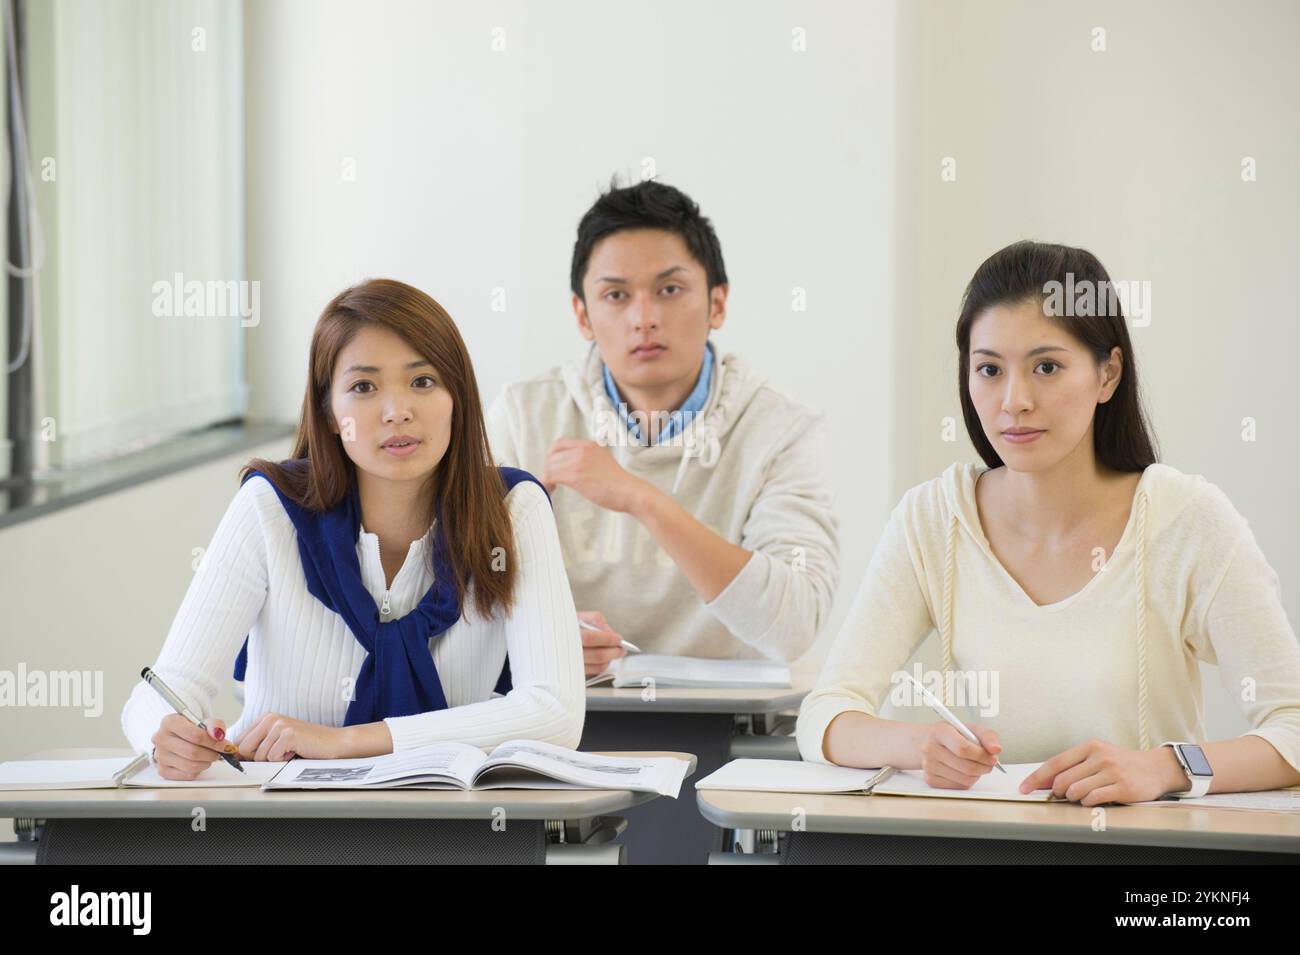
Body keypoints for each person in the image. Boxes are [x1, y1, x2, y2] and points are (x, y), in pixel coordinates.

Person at [796, 240, 1300, 805]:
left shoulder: (1188, 520)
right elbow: (825, 714)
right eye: (989, 369)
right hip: (983, 850)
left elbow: (1293, 726)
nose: (1014, 401)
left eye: (1046, 367)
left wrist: (1165, 768)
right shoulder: (932, 519)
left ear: (1107, 375)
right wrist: (916, 745)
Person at [122, 279, 584, 779]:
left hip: (448, 829)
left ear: (458, 396)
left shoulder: (514, 510)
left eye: (423, 381)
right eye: (363, 387)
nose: (397, 411)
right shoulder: (270, 507)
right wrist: (164, 734)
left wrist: (348, 743)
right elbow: (163, 688)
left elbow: (555, 714)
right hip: (277, 828)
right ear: (328, 411)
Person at [488, 178, 840, 677]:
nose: (644, 318)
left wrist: (641, 498)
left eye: (669, 290)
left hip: (730, 725)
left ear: (717, 303)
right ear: (582, 315)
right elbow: (450, 599)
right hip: (562, 715)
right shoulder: (524, 416)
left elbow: (794, 626)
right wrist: (534, 635)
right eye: (615, 295)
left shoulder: (781, 430)